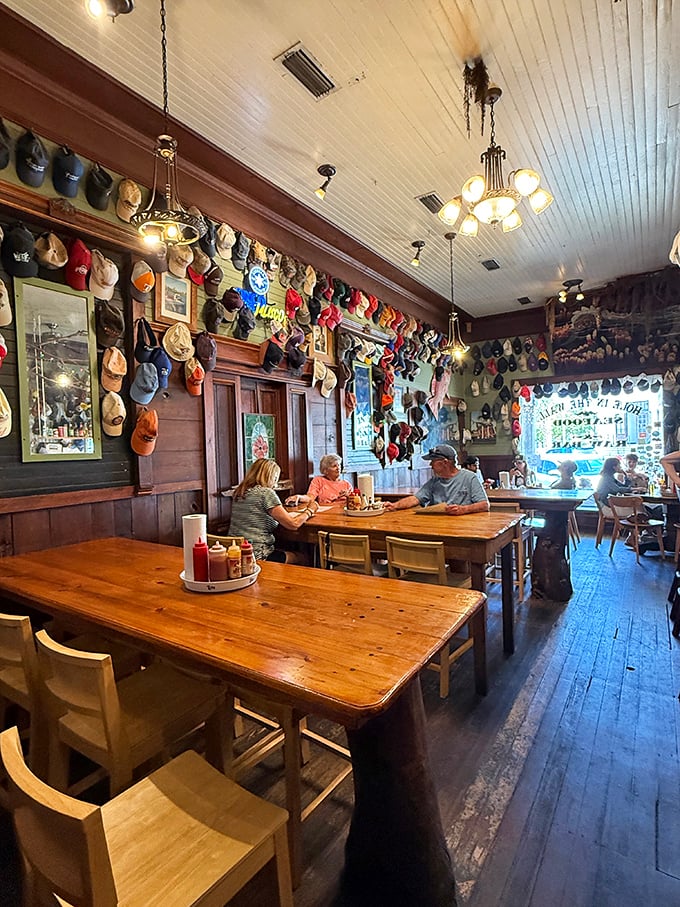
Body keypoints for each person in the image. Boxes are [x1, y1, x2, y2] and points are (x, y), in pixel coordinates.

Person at [229, 458, 318, 562]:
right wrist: (310, 510)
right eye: (275, 478)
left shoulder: (239, 492)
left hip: (235, 552)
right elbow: (293, 524)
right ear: (270, 476)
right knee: (304, 558)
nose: (275, 483)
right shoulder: (265, 493)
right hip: (258, 554)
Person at [385, 443, 489, 515]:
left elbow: (484, 505)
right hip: (437, 525)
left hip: (462, 526)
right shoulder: (434, 481)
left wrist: (464, 509)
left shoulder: (470, 478)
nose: (430, 464)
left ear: (445, 462)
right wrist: (394, 505)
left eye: (433, 461)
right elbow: (415, 499)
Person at [285, 453, 353, 506]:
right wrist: (298, 497)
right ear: (325, 470)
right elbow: (310, 497)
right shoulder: (318, 481)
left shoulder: (346, 484)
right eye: (334, 466)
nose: (338, 468)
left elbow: (355, 502)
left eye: (339, 465)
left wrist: (349, 496)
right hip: (326, 514)